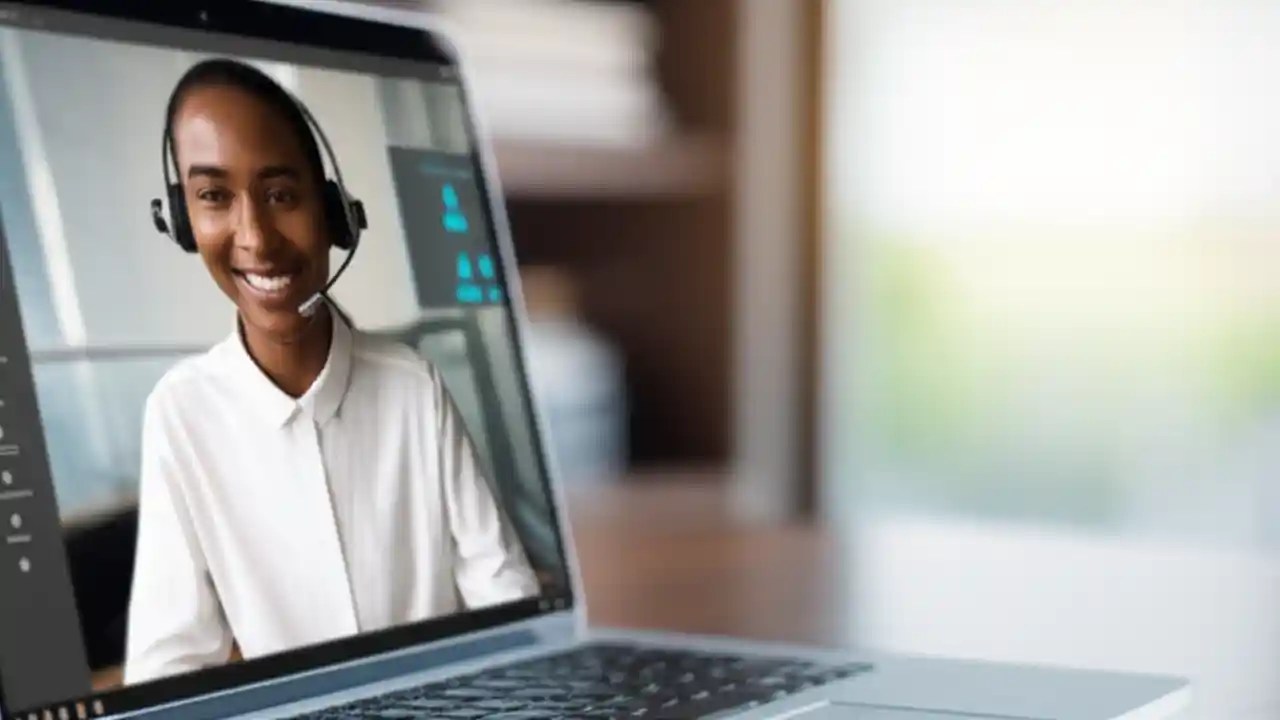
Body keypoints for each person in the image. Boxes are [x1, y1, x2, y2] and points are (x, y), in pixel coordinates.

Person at [125, 59, 538, 684]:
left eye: (280, 195)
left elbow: (505, 594)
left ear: (331, 212)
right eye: (213, 197)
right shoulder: (180, 412)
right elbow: (167, 667)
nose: (256, 238)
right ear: (182, 221)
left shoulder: (412, 386)